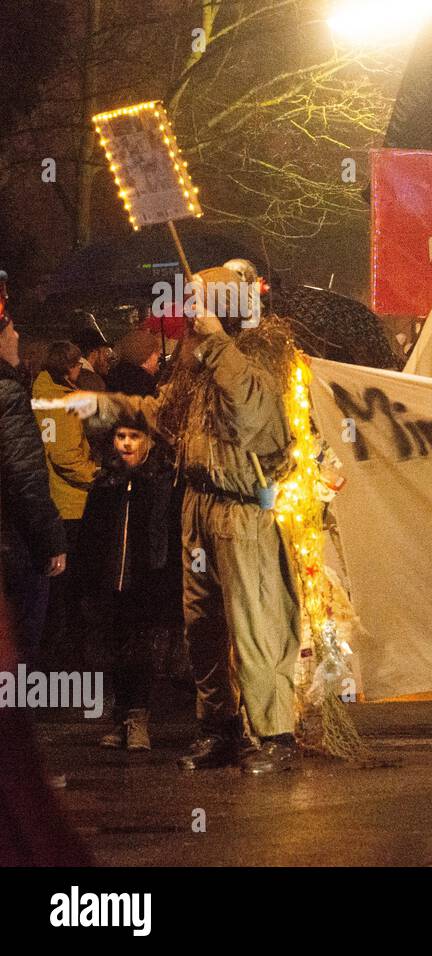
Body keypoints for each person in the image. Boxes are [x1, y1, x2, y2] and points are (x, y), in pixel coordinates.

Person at [65, 266, 302, 775]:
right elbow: (165, 416)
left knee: (255, 620)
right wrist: (110, 407)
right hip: (197, 504)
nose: (191, 310)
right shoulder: (196, 365)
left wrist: (216, 343)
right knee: (204, 626)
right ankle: (219, 729)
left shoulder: (256, 356)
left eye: (200, 301)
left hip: (241, 507)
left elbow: (249, 413)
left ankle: (275, 734)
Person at [79, 416, 183, 751]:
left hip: (147, 579)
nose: (126, 443)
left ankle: (139, 719)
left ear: (148, 441)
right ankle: (121, 716)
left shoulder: (162, 482)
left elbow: (169, 531)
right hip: (112, 580)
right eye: (121, 436)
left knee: (142, 650)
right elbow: (91, 533)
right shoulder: (107, 482)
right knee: (116, 648)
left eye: (133, 436)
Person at [0, 308, 67, 661]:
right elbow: (24, 475)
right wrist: (51, 541)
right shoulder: (8, 392)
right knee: (18, 648)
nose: (17, 337)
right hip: (14, 546)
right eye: (10, 331)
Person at [32, 341, 98, 668]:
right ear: (70, 368)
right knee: (71, 589)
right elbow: (65, 454)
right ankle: (68, 659)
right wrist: (95, 475)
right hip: (70, 501)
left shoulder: (36, 395)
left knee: (53, 585)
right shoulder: (66, 402)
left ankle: (50, 653)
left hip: (45, 499)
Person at [105, 329, 161, 397]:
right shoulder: (145, 382)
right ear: (147, 355)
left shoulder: (113, 373)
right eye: (156, 352)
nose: (159, 356)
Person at [75, 326, 113, 392]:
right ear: (94, 352)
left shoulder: (68, 374)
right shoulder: (92, 381)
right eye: (105, 352)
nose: (109, 359)